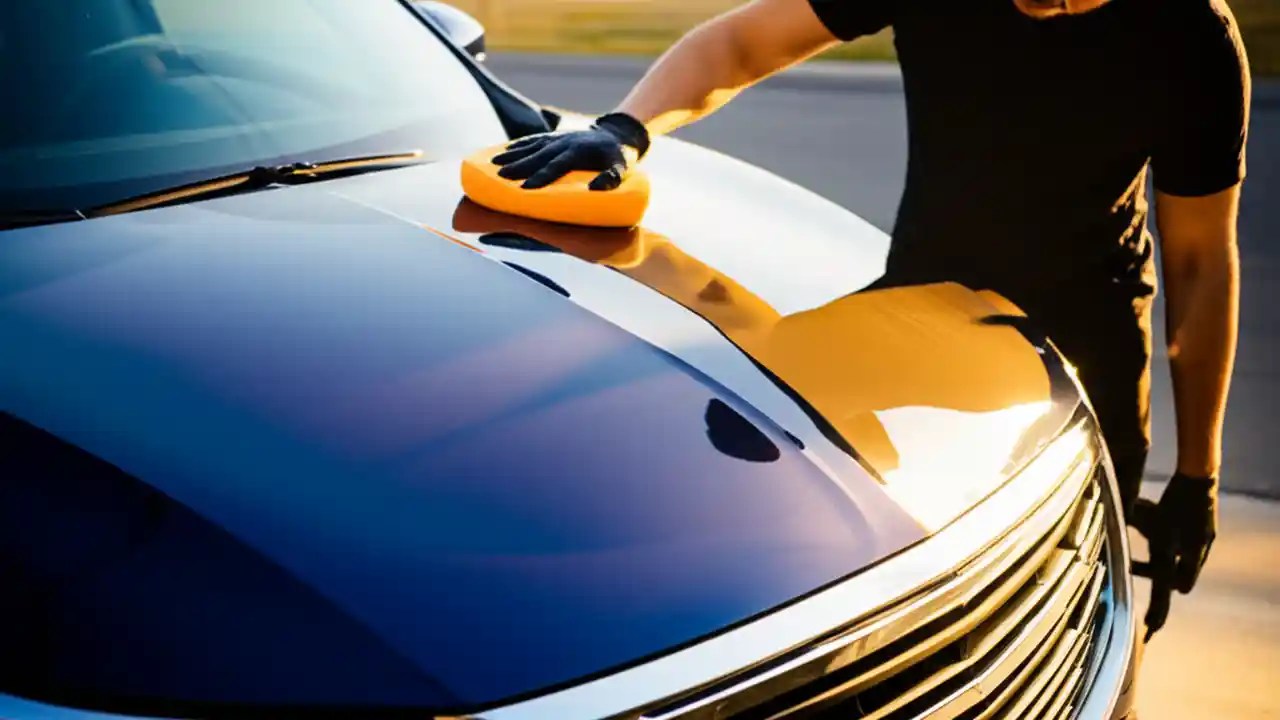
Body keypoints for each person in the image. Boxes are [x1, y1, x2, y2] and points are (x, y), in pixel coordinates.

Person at [492, 0, 1249, 640]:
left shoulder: (1191, 36)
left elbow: (1198, 263)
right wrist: (627, 128)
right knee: (879, 595)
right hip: (914, 326)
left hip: (1083, 367)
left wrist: (1198, 476)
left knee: (1069, 620)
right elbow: (745, 40)